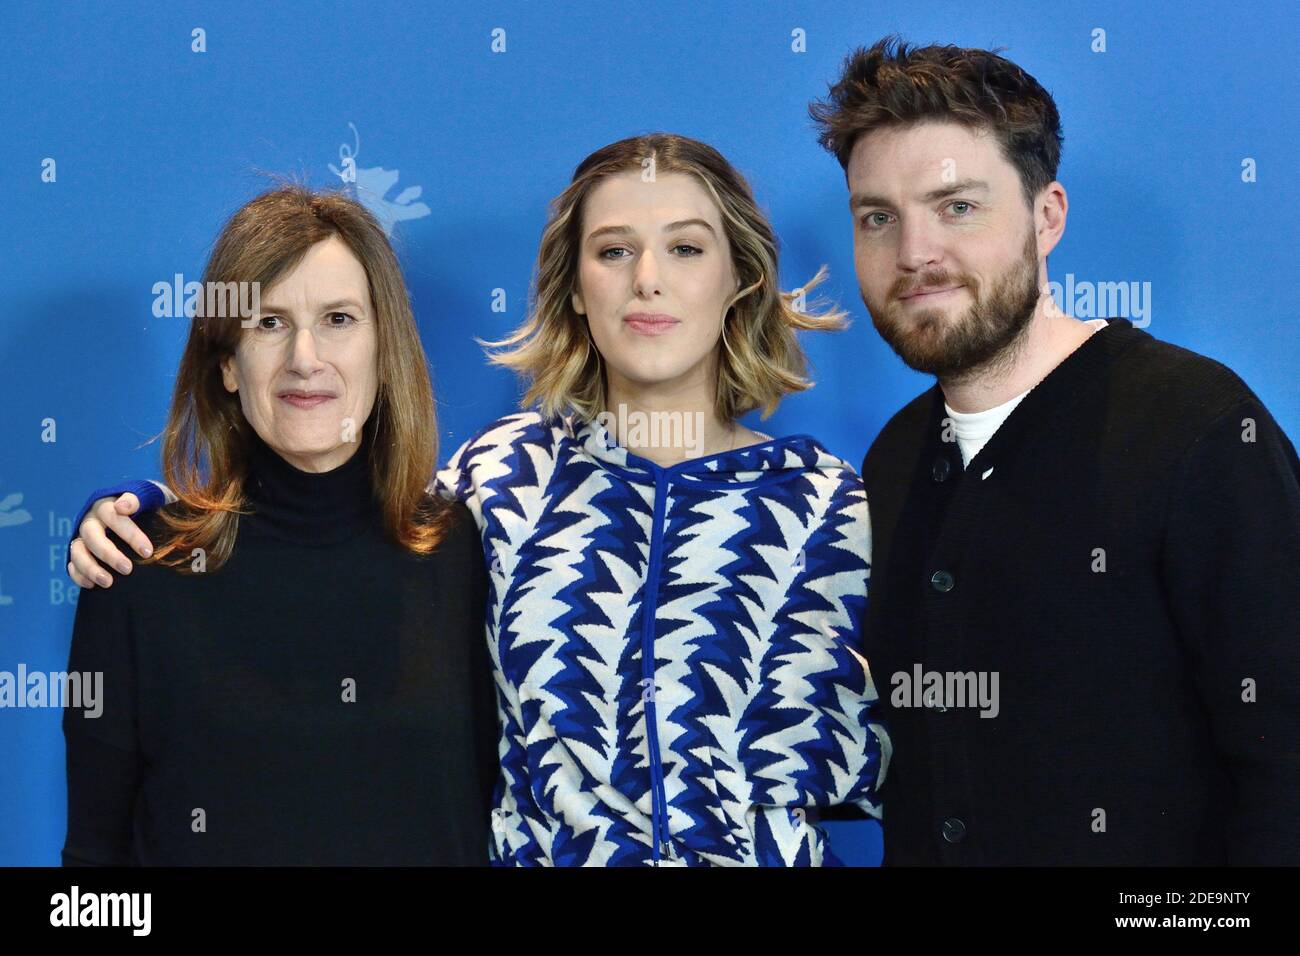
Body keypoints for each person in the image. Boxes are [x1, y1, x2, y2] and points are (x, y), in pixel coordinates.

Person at [67, 133, 890, 866]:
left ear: (740, 278)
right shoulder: (497, 486)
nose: (647, 282)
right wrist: (144, 515)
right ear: (571, 286)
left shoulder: (830, 507)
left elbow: (912, 753)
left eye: (684, 248)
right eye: (612, 252)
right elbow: (317, 514)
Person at [808, 36, 1300, 864]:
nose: (915, 253)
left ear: (1048, 216)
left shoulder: (1199, 429)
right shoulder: (891, 462)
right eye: (877, 218)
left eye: (957, 206)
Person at [62, 186, 497, 865]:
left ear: (385, 352)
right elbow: (91, 874)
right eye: (268, 323)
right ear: (227, 363)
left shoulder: (466, 552)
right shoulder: (135, 566)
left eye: (338, 319)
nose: (304, 357)